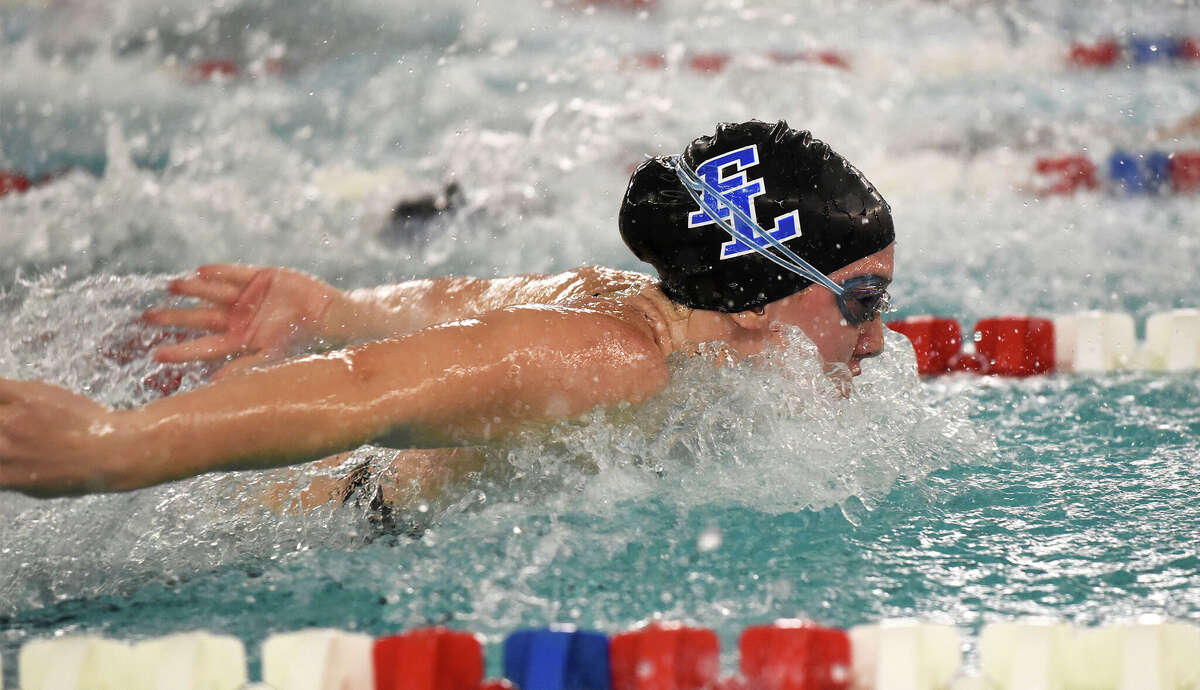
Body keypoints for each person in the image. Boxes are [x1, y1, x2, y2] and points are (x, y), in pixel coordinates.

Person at [0, 120, 895, 499]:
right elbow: (366, 390)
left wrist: (336, 306)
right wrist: (111, 447)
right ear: (753, 301)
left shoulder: (628, 303)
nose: (878, 339)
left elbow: (458, 302)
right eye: (860, 300)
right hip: (316, 522)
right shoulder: (617, 359)